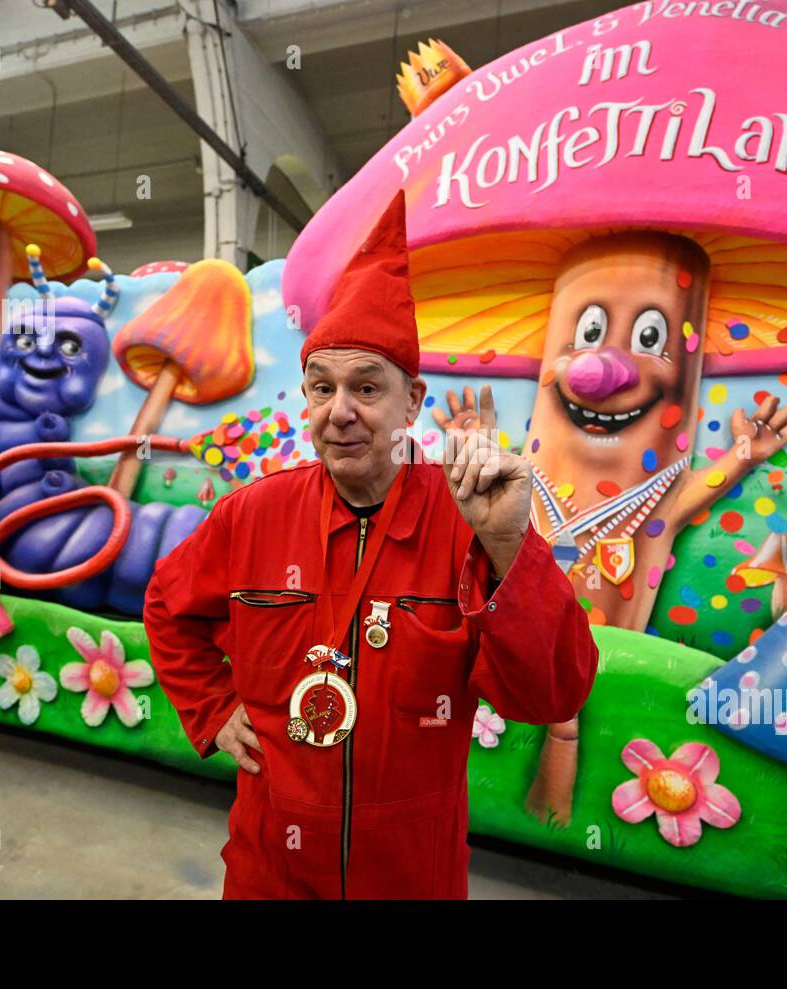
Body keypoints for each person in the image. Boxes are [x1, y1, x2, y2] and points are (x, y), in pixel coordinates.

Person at [143, 190, 598, 899]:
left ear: (412, 403)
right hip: (271, 864)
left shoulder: (468, 523)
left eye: (366, 386)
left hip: (410, 874)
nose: (341, 411)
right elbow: (168, 607)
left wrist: (510, 545)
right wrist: (210, 706)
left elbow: (551, 693)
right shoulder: (252, 514)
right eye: (321, 387)